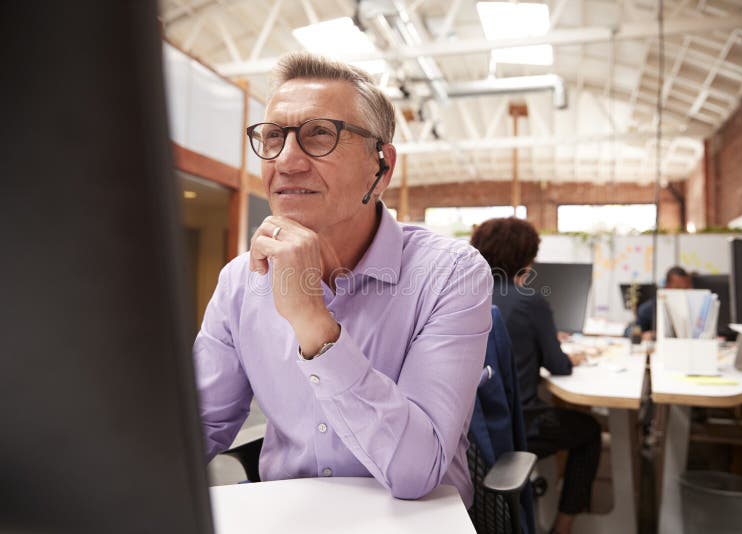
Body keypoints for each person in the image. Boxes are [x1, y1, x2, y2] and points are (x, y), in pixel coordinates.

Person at [193, 52, 493, 506]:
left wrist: (313, 322)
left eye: (319, 135)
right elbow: (198, 425)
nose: (286, 161)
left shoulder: (450, 274)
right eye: (273, 137)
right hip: (288, 517)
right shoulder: (240, 281)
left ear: (382, 167)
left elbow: (417, 473)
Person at [471, 218, 601, 534]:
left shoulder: (463, 294)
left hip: (472, 430)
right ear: (527, 259)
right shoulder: (530, 301)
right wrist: (570, 353)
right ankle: (563, 526)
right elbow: (559, 366)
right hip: (521, 425)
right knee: (590, 430)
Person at [634, 265, 693, 338]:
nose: (682, 292)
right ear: (667, 286)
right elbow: (632, 331)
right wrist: (644, 335)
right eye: (678, 288)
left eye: (686, 288)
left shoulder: (694, 308)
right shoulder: (648, 309)